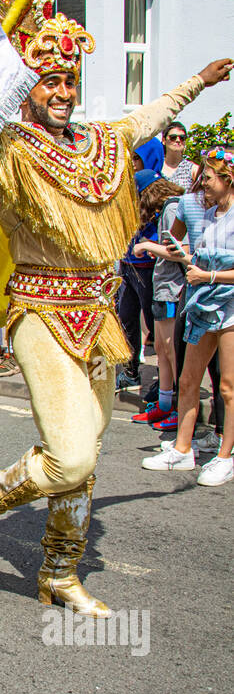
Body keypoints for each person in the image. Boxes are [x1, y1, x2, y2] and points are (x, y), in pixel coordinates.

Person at [0, 0, 232, 615]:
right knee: (71, 457)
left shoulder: (98, 143)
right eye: (46, 81)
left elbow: (144, 120)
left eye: (66, 80)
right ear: (25, 87)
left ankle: (59, 573)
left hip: (102, 318)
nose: (60, 91)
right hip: (39, 315)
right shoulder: (4, 150)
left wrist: (197, 84)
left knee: (84, 457)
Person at [142, 147, 234, 485]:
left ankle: (225, 456)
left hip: (230, 307)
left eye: (207, 179)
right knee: (187, 379)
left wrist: (208, 276)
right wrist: (187, 258)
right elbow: (197, 255)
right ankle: (182, 450)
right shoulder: (208, 215)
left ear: (228, 179)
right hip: (202, 304)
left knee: (227, 386)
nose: (201, 185)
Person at [130, 175, 188, 432]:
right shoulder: (166, 209)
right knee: (163, 352)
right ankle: (165, 404)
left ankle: (179, 407)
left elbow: (181, 251)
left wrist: (147, 245)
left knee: (172, 352)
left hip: (173, 289)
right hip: (162, 288)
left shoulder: (173, 207)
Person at [116, 169, 165, 391]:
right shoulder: (129, 207)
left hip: (149, 270)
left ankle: (166, 380)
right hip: (127, 268)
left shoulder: (163, 209)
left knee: (158, 328)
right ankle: (131, 372)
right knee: (126, 321)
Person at [160, 121, 198, 189]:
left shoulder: (193, 170)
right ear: (164, 140)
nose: (178, 140)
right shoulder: (156, 167)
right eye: (173, 137)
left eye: (182, 137)